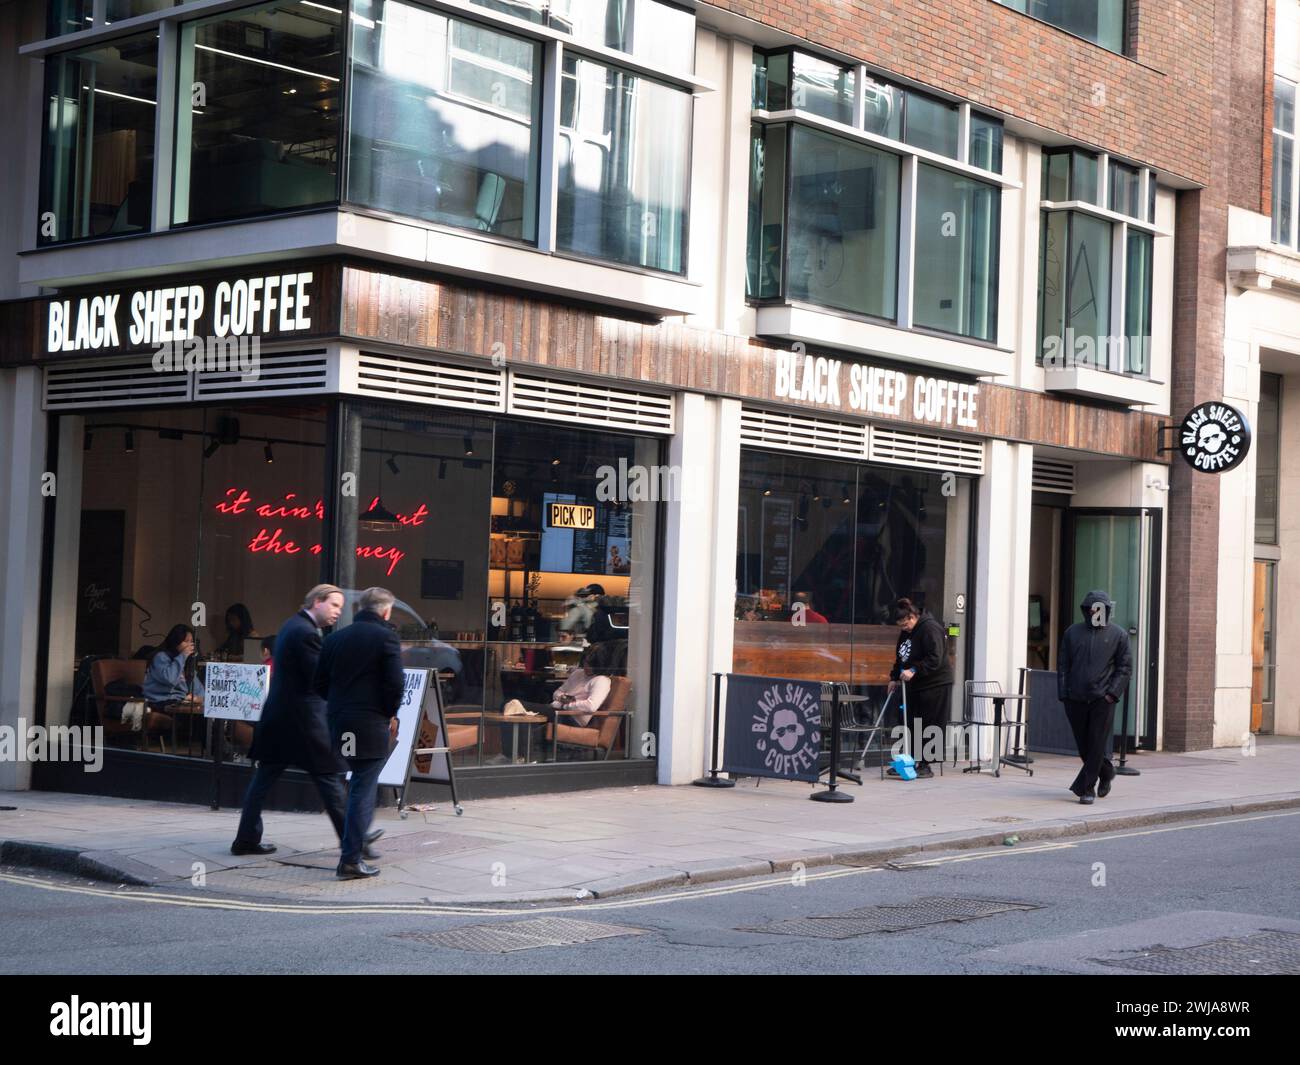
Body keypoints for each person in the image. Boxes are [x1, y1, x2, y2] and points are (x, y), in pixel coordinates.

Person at [231, 586, 378, 859]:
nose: (338, 612)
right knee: (330, 779)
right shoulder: (306, 633)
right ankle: (355, 843)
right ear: (317, 602)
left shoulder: (292, 625)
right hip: (303, 723)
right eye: (334, 605)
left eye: (340, 606)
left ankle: (246, 838)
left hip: (281, 720)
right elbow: (320, 679)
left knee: (263, 780)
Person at [313, 586, 405, 880]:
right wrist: (390, 713)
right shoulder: (386, 637)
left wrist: (341, 705)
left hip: (340, 721)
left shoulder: (335, 638)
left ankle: (356, 843)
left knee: (353, 783)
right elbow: (395, 684)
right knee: (363, 786)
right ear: (386, 611)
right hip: (369, 723)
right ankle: (350, 858)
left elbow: (319, 684)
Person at [1058, 589, 1133, 805]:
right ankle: (1107, 772)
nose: (1095, 611)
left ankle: (1086, 788)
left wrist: (1111, 694)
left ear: (1107, 610)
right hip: (1076, 699)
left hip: (1103, 700)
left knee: (1096, 743)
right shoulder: (1072, 633)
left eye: (1100, 608)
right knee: (1085, 746)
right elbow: (1063, 665)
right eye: (1091, 608)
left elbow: (1125, 668)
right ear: (1086, 610)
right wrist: (1064, 693)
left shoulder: (1118, 635)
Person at [888, 597, 953, 778]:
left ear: (912, 617)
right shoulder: (907, 632)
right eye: (900, 626)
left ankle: (925, 764)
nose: (903, 629)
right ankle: (906, 761)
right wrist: (894, 677)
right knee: (909, 722)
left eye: (904, 624)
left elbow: (935, 657)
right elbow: (902, 656)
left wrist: (914, 670)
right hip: (915, 684)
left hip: (935, 683)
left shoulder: (930, 628)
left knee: (929, 723)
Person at [143, 624, 205, 705]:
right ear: (176, 642)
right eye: (186, 641)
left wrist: (199, 699)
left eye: (191, 642)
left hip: (178, 703)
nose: (190, 645)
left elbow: (199, 691)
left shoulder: (186, 664)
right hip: (159, 702)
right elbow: (170, 679)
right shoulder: (161, 657)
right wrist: (183, 655)